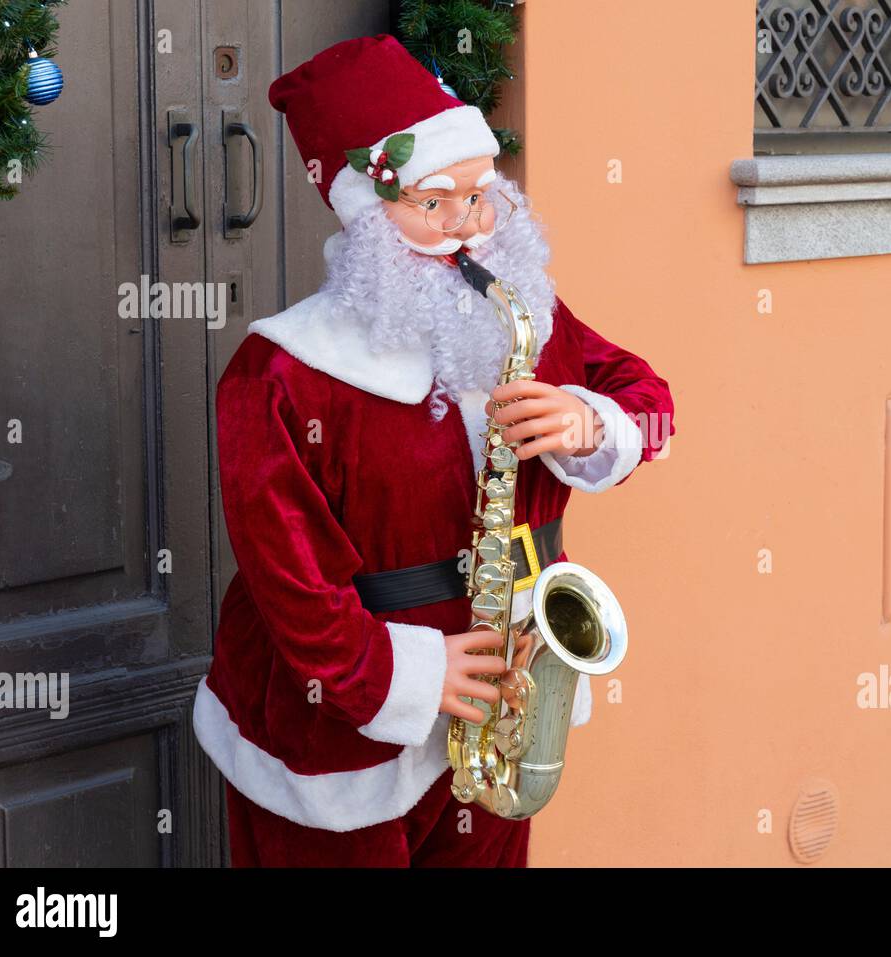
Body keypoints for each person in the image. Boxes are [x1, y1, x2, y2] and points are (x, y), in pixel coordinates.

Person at [190, 34, 674, 867]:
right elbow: (291, 583)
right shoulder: (278, 373)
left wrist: (590, 422)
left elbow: (649, 402)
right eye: (434, 204)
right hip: (338, 731)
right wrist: (399, 676)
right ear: (369, 216)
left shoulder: (525, 311)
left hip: (507, 689)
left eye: (481, 198)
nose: (468, 230)